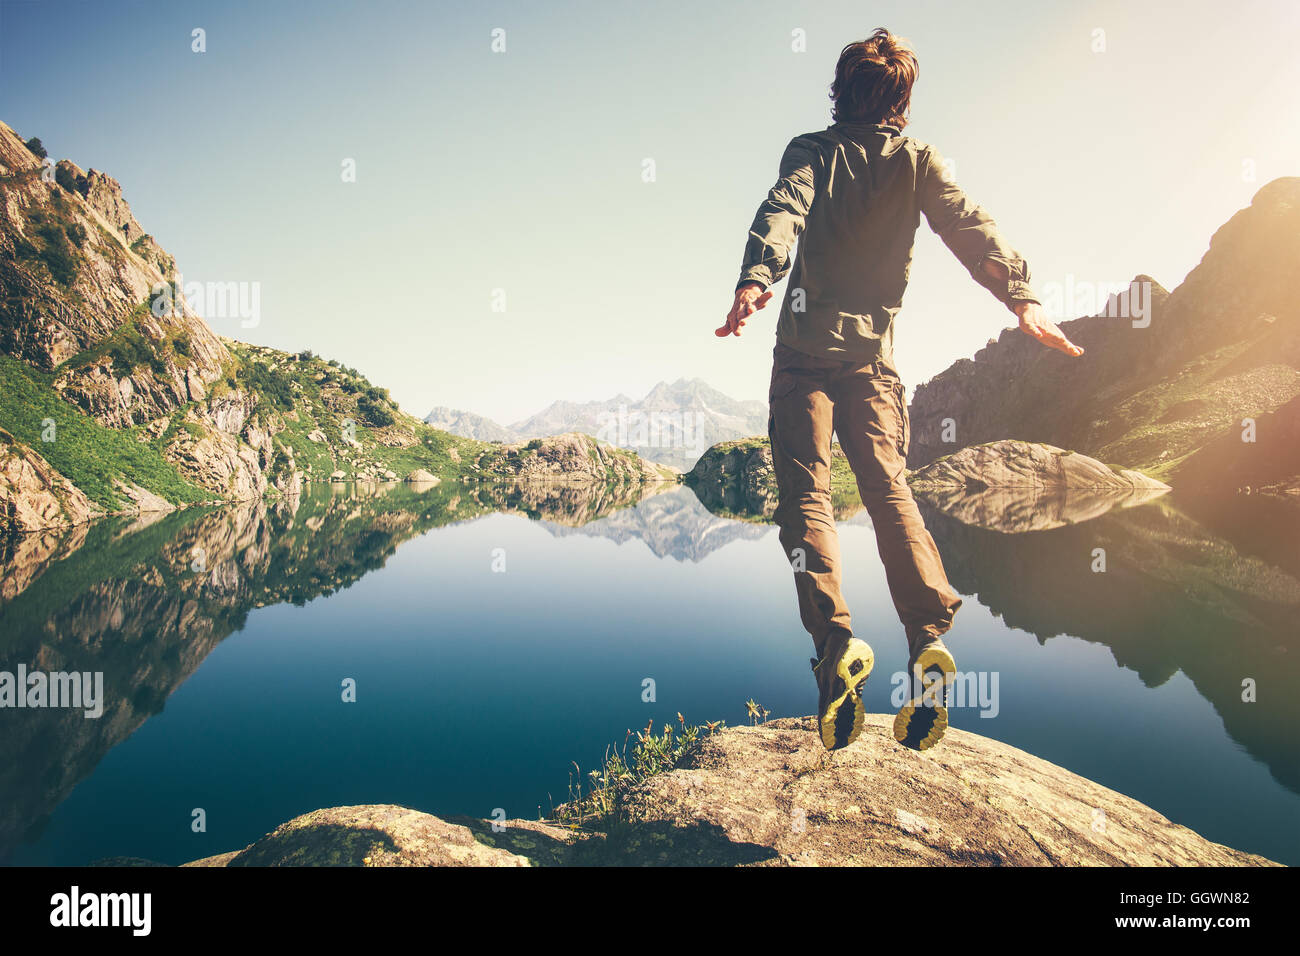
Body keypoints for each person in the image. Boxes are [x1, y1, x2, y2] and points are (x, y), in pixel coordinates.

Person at [716, 27, 1084, 753]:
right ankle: (926, 638)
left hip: (802, 359)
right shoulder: (920, 162)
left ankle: (836, 644)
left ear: (839, 92)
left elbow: (783, 207)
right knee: (888, 489)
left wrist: (757, 278)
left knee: (808, 499)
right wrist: (1022, 297)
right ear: (902, 102)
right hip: (873, 364)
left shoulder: (812, 152)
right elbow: (968, 224)